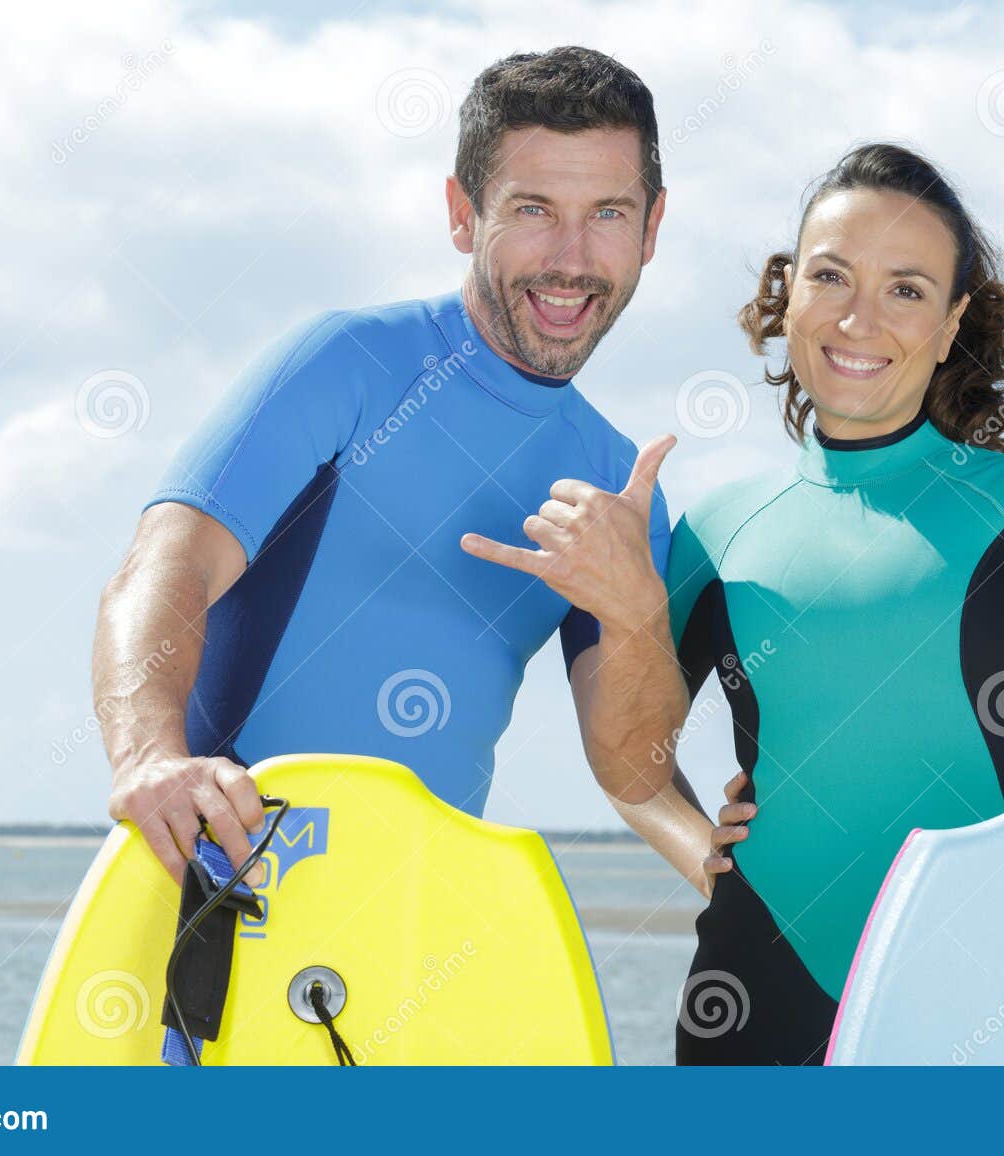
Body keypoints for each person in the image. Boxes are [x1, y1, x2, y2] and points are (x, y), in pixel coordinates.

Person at [625, 143, 1004, 1065]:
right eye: (832, 276)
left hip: (974, 984)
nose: (862, 317)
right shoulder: (717, 527)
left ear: (950, 325)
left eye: (906, 289)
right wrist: (694, 842)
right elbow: (630, 739)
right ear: (789, 298)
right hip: (748, 988)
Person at [92, 46, 690, 885]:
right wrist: (149, 756)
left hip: (413, 935)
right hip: (219, 894)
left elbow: (634, 771)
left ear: (652, 228)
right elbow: (166, 564)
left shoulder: (620, 484)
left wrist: (635, 615)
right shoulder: (350, 365)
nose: (572, 255)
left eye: (608, 214)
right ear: (461, 213)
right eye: (532, 209)